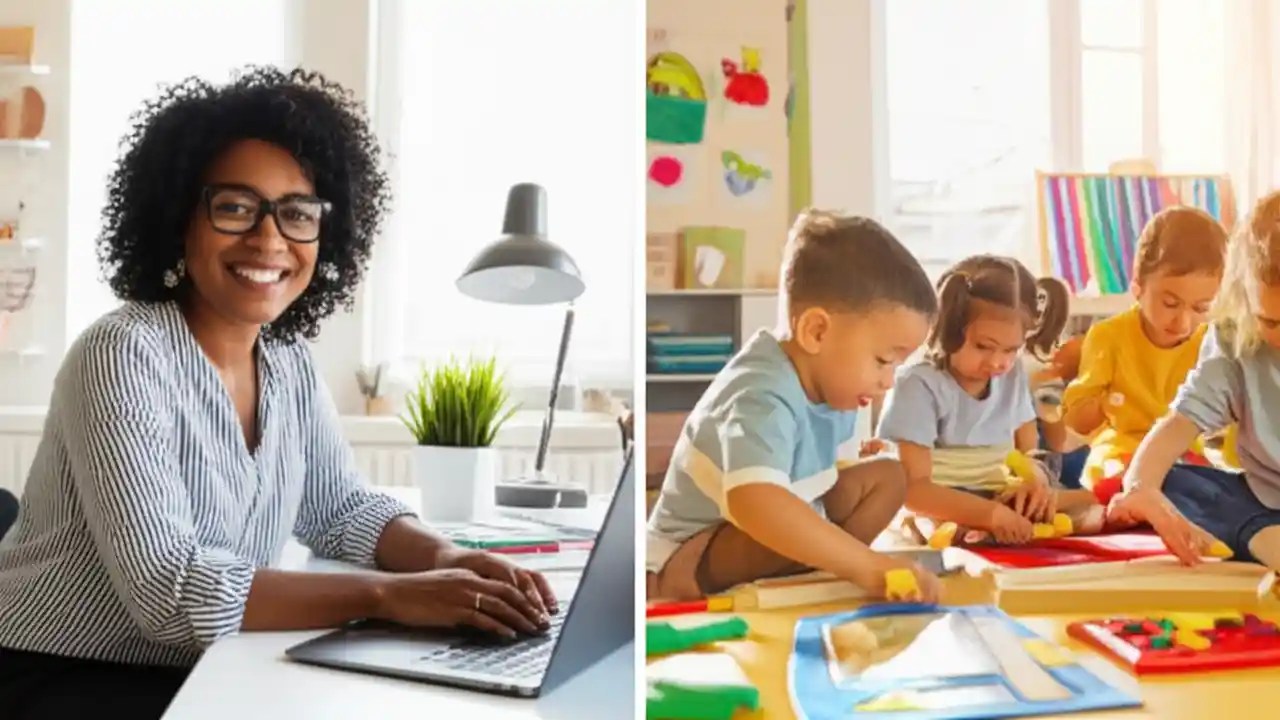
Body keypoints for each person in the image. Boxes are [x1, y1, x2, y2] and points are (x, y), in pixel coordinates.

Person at [0, 67, 557, 719]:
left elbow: (339, 506)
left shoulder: (287, 359)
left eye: (296, 214)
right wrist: (391, 597)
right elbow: (171, 592)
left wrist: (447, 557)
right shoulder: (121, 355)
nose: (269, 240)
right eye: (234, 208)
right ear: (180, 219)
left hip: (208, 663)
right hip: (62, 673)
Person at [646, 210, 943, 603]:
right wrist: (868, 565)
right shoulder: (759, 394)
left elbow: (812, 473)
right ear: (816, 331)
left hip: (769, 525)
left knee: (888, 477)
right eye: (883, 361)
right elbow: (756, 502)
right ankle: (839, 564)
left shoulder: (831, 385)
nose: (888, 381)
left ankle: (821, 569)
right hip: (689, 555)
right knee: (778, 521)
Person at [876, 255, 1103, 546]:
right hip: (943, 499)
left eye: (1012, 349)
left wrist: (1033, 486)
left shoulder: (1012, 375)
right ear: (947, 328)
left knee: (1091, 498)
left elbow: (1029, 453)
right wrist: (991, 515)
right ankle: (972, 531)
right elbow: (915, 490)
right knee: (933, 524)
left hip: (997, 491)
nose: (999, 362)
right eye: (984, 346)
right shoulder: (918, 385)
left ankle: (1002, 527)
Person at [1109, 191, 1280, 569]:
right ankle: (1263, 537)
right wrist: (1141, 489)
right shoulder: (1235, 338)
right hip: (1263, 501)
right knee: (1170, 477)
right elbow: (1181, 422)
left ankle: (1257, 538)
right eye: (1270, 322)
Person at [1061, 207, 1228, 506]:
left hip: (1184, 455)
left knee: (1206, 489)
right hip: (1120, 451)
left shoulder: (1212, 341)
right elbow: (1077, 419)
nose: (1183, 322)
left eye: (1200, 308)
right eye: (1169, 303)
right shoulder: (1108, 336)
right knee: (1120, 482)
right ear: (1137, 287)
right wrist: (1098, 405)